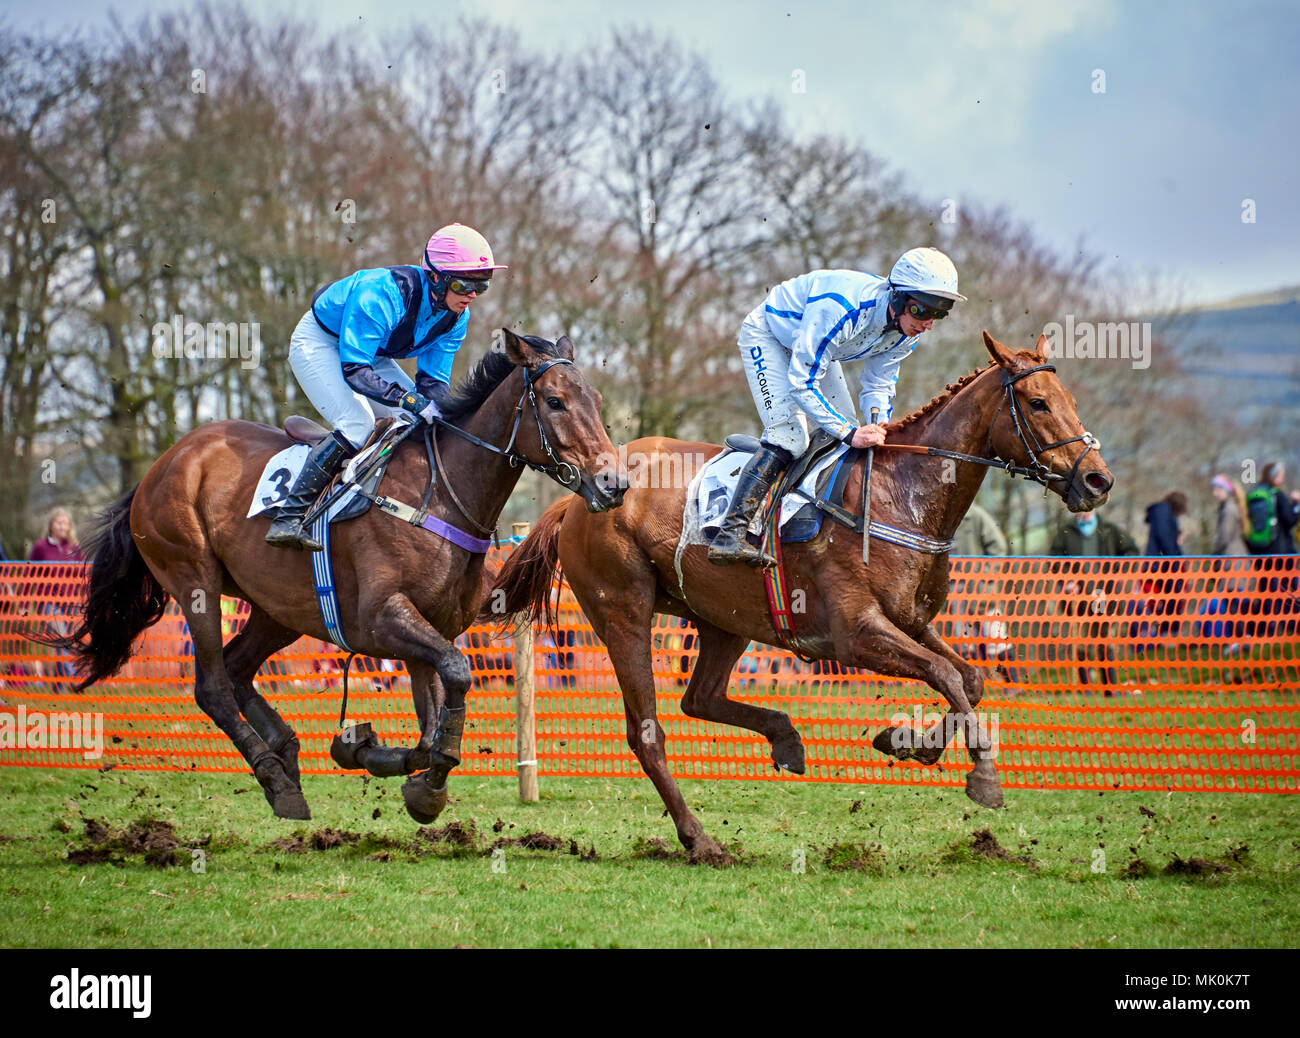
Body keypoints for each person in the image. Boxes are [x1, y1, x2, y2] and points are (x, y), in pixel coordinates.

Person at [709, 247, 966, 566]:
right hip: (770, 337)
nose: (928, 324)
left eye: (939, 314)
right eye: (922, 311)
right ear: (898, 298)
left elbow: (879, 385)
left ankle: (800, 513)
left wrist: (878, 428)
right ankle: (729, 534)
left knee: (843, 434)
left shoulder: (906, 334)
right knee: (790, 437)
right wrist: (850, 433)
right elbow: (801, 381)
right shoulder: (843, 308)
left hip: (818, 351)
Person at [266, 223, 506, 550]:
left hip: (372, 355)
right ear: (435, 277)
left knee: (419, 423)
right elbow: (354, 371)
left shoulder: (455, 317)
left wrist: (433, 410)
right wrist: (408, 399)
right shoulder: (380, 294)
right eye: (464, 284)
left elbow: (433, 382)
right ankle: (289, 516)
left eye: (482, 285)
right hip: (321, 344)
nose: (472, 295)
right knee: (357, 424)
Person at [1049, 509, 1139, 696]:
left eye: (1088, 507)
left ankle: (1110, 688)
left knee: (1105, 641)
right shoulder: (1066, 531)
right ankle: (1085, 688)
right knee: (1081, 643)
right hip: (1078, 597)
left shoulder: (1110, 529)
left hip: (1104, 594)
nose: (1084, 511)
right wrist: (1067, 580)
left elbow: (1131, 550)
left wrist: (1121, 571)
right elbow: (1055, 560)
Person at [1244, 461, 1298, 555]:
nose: (1283, 479)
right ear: (1274, 476)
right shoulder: (1277, 494)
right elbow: (1290, 521)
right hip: (1279, 551)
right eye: (1281, 475)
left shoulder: (1253, 492)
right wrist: (1296, 504)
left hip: (1257, 550)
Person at [1210, 474, 1249, 556]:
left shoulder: (1229, 509)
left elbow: (1224, 536)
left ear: (1226, 489)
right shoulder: (1228, 507)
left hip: (1232, 560)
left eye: (1218, 490)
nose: (1214, 493)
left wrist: (1215, 553)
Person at [1144, 491, 1186, 556]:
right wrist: (1175, 557)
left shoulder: (1166, 512)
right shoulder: (1162, 510)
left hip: (1162, 559)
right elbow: (1164, 535)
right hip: (1160, 561)